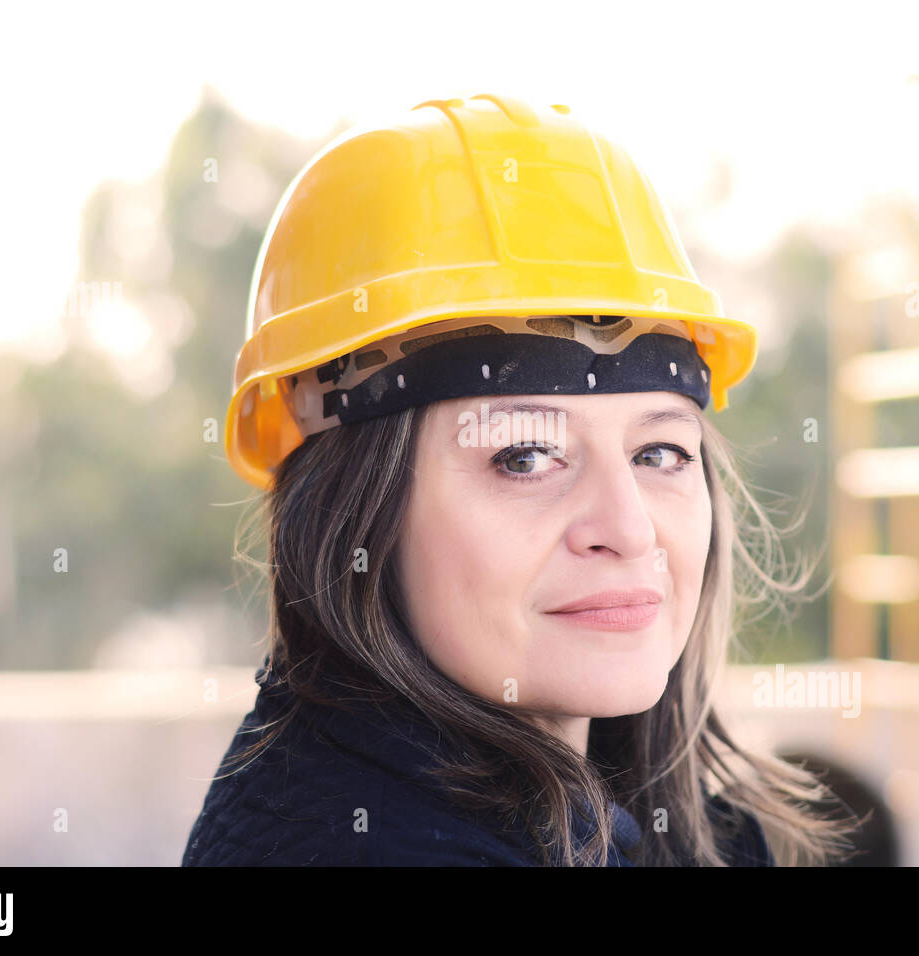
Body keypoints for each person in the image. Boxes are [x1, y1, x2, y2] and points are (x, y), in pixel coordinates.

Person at [182, 94, 857, 866]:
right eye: (526, 456)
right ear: (351, 517)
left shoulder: (642, 820)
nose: (630, 528)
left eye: (660, 453)